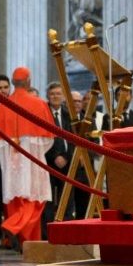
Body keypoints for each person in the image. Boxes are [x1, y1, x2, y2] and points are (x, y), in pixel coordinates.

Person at [0, 67, 54, 247]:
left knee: (16, 202)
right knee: (36, 200)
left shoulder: (2, 107)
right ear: (28, 81)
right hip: (32, 162)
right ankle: (12, 226)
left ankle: (26, 243)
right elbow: (48, 140)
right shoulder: (39, 104)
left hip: (11, 164)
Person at [42, 82, 75, 225]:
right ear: (48, 96)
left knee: (67, 197)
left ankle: (66, 227)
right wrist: (55, 156)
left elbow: (75, 139)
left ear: (63, 97)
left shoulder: (70, 115)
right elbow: (42, 138)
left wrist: (66, 157)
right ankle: (48, 230)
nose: (55, 96)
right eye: (52, 94)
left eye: (58, 93)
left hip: (67, 162)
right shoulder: (43, 113)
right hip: (48, 161)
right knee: (48, 199)